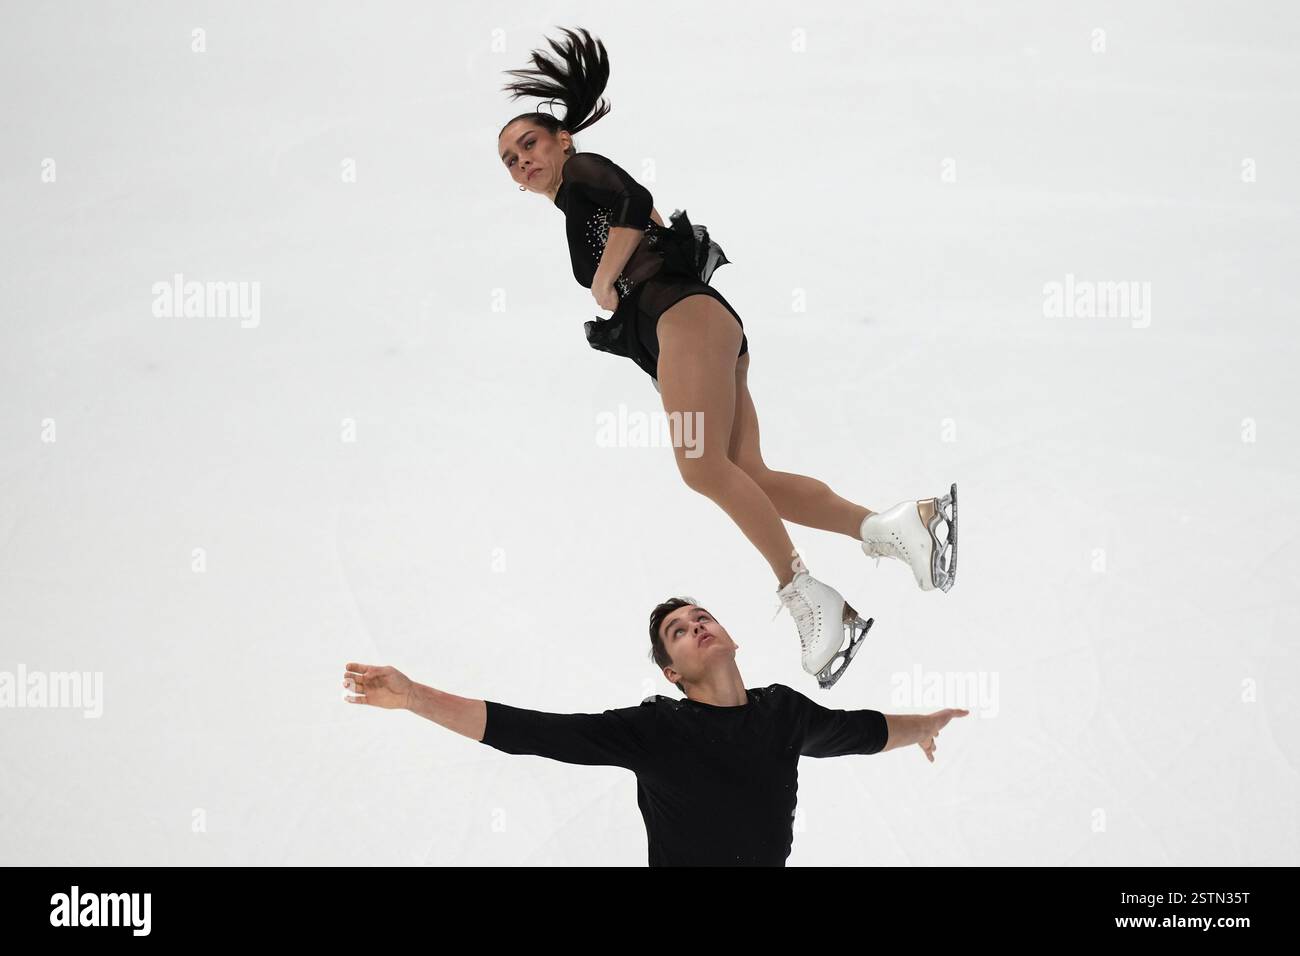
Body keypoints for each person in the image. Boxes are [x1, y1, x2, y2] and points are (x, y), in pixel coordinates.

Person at [496, 27, 959, 688]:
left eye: (529, 143)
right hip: (696, 333)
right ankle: (900, 528)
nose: (522, 161)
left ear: (562, 139)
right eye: (510, 160)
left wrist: (603, 284)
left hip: (684, 322)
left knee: (699, 467)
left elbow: (630, 198)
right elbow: (639, 222)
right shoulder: (574, 199)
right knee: (749, 476)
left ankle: (811, 598)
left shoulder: (580, 175)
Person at [342, 597, 969, 866]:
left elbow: (857, 731)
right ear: (673, 673)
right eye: (679, 630)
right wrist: (416, 696)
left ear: (729, 637)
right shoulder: (657, 728)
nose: (697, 626)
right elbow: (531, 732)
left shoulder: (783, 712)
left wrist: (923, 726)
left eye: (702, 618)